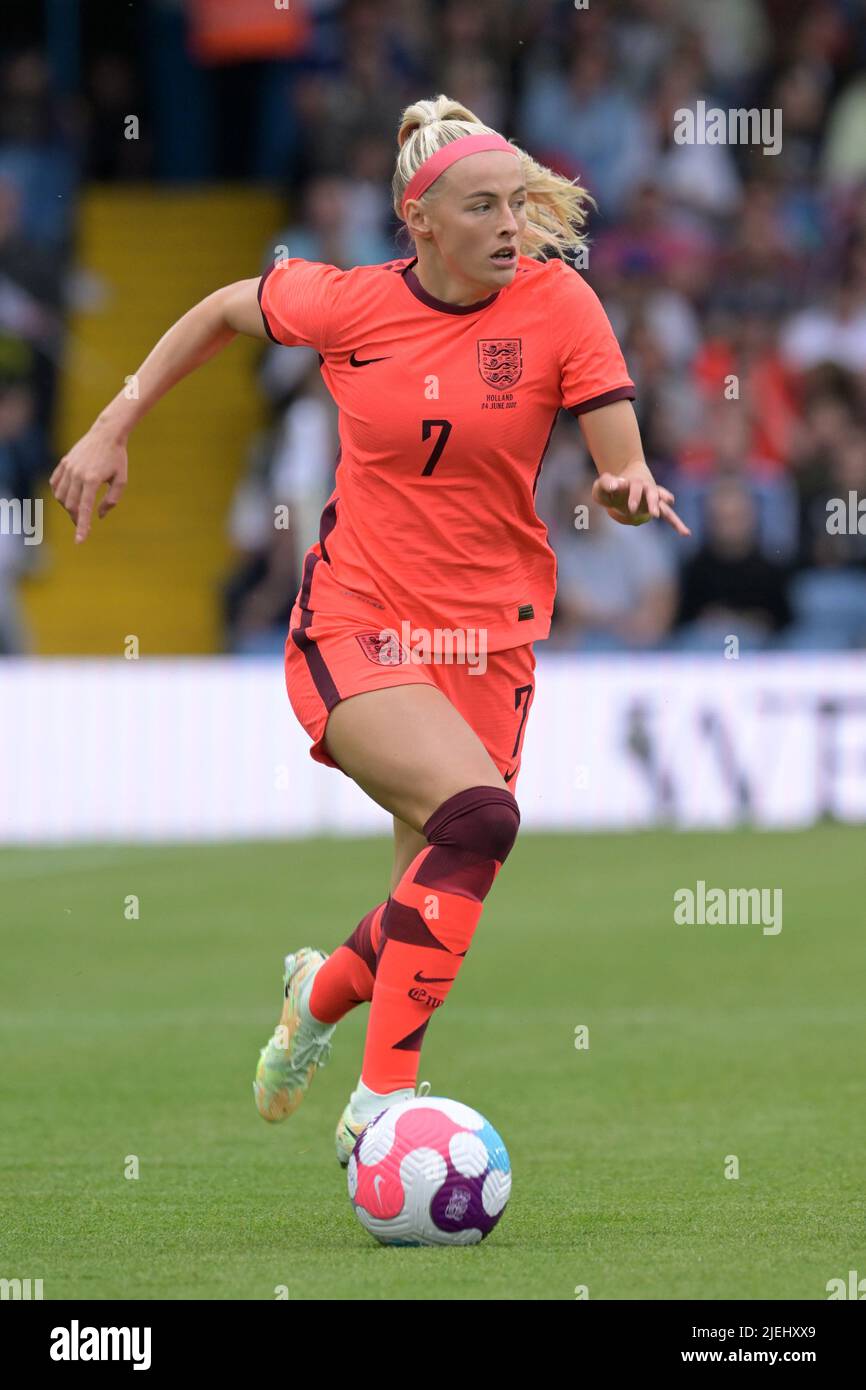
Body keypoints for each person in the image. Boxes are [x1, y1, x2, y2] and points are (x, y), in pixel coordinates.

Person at [48, 95, 689, 1166]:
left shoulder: (560, 305)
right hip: (359, 620)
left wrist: (625, 485)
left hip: (489, 639)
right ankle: (379, 1107)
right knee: (478, 820)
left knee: (429, 889)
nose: (506, 227)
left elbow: (617, 456)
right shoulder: (345, 303)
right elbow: (217, 310)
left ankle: (317, 992)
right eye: (481, 207)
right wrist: (114, 423)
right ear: (418, 221)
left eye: (516, 206)